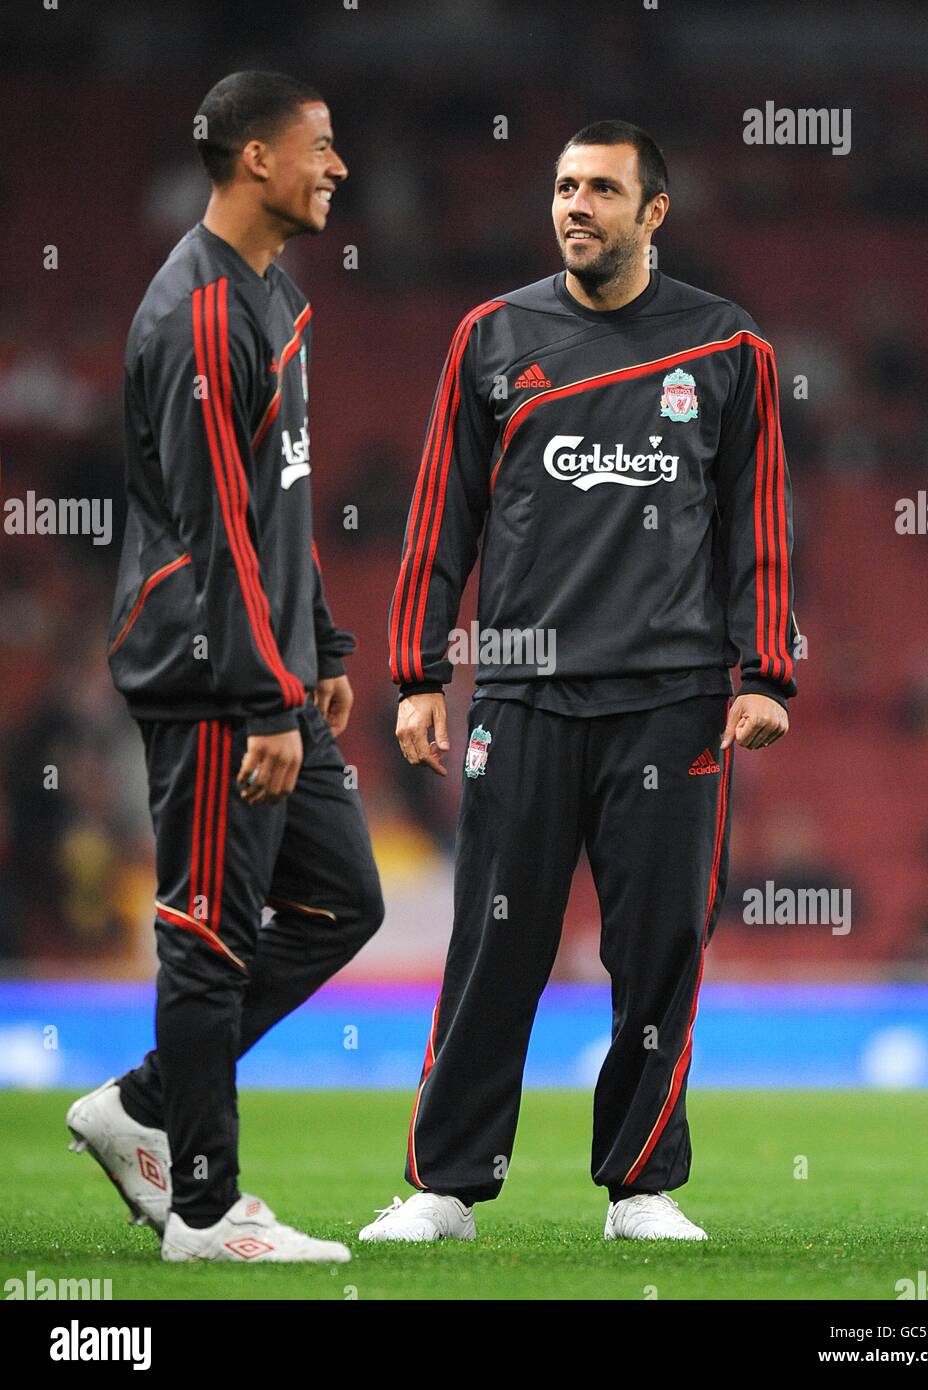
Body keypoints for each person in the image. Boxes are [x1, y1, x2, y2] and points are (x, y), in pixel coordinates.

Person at [363, 121, 798, 1244]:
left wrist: (765, 676)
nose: (575, 206)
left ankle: (641, 1190)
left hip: (674, 700)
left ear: (654, 212)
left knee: (657, 951)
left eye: (601, 189)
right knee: (494, 945)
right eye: (563, 186)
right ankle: (444, 1188)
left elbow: (757, 526)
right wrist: (415, 674)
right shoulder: (491, 338)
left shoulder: (725, 346)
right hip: (520, 693)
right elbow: (436, 519)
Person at [67, 71, 384, 1263]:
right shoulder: (200, 311)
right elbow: (214, 531)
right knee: (208, 937)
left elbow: (279, 500)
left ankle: (147, 1102)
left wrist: (325, 645)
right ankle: (203, 1209)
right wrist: (264, 694)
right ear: (257, 159)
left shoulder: (269, 295)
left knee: (343, 900)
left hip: (268, 669)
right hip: (212, 682)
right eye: (321, 144)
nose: (337, 166)